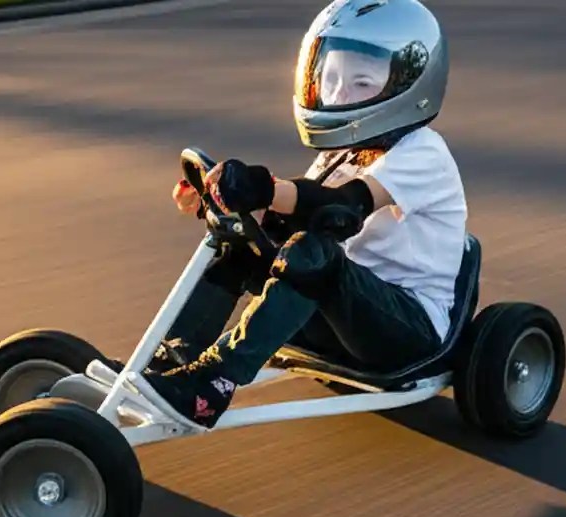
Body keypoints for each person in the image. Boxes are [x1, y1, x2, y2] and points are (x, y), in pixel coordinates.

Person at [113, 0, 467, 428]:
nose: (337, 94)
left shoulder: (423, 153)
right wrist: (222, 199)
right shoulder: (343, 154)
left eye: (360, 83)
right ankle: (173, 360)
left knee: (311, 253)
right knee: (243, 244)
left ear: (410, 85)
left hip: (408, 331)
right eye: (331, 78)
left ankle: (212, 386)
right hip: (342, 316)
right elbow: (293, 211)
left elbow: (343, 206)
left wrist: (262, 186)